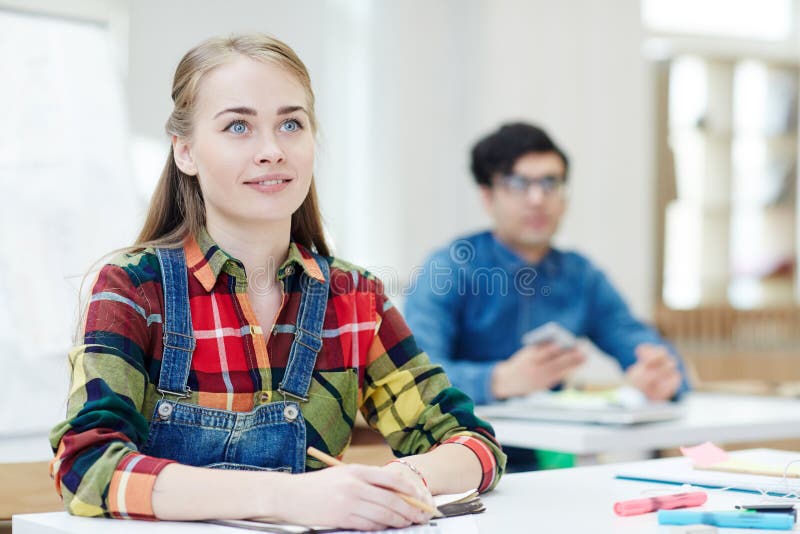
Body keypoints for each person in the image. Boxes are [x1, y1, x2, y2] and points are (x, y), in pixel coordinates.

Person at [49, 34, 505, 530]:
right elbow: (86, 467)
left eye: (291, 124)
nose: (271, 150)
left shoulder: (355, 298)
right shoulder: (133, 288)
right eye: (238, 126)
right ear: (185, 152)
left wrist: (402, 477)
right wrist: (290, 496)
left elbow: (474, 444)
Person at [404, 122, 690, 409]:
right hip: (461, 445)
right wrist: (498, 380)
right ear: (487, 197)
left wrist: (662, 376)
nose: (537, 199)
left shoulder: (581, 276)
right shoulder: (449, 268)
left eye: (550, 183)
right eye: (517, 184)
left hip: (555, 448)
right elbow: (411, 380)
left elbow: (642, 345)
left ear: (564, 198)